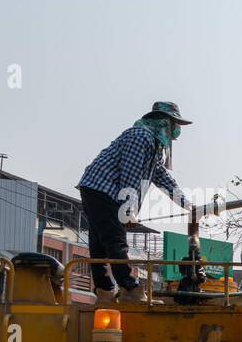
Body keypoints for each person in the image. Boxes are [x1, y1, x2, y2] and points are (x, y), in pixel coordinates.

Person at [77, 101, 193, 303]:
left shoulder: (153, 144)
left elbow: (160, 175)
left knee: (100, 242)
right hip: (103, 190)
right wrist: (128, 209)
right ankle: (130, 288)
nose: (177, 131)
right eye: (175, 125)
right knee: (114, 239)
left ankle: (104, 291)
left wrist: (184, 202)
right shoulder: (141, 137)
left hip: (98, 189)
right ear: (166, 122)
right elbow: (130, 175)